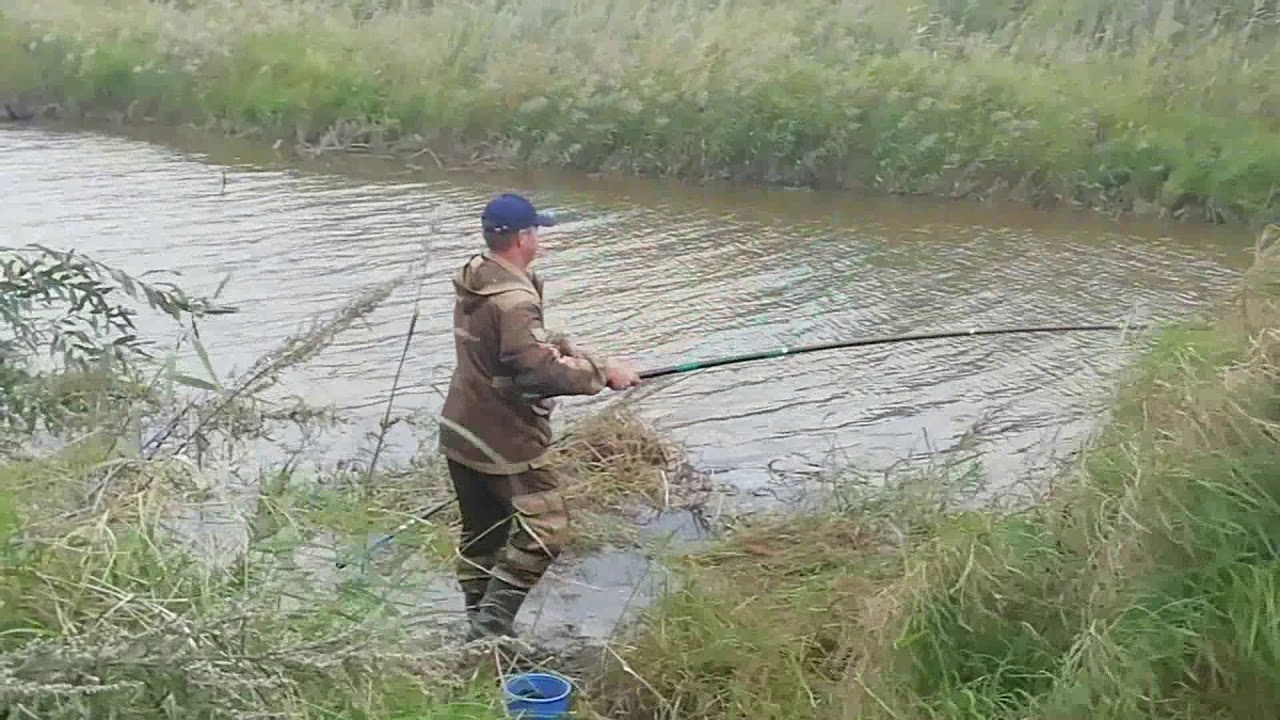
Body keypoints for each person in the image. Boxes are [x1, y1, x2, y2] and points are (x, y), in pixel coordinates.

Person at [438, 192, 641, 641]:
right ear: (522, 237)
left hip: (460, 428)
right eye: (537, 232)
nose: (541, 240)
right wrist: (601, 376)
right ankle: (491, 627)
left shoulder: (479, 277)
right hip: (502, 438)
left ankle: (477, 629)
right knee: (546, 531)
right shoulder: (514, 298)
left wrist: (574, 352)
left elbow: (511, 348)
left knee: (484, 535)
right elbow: (534, 369)